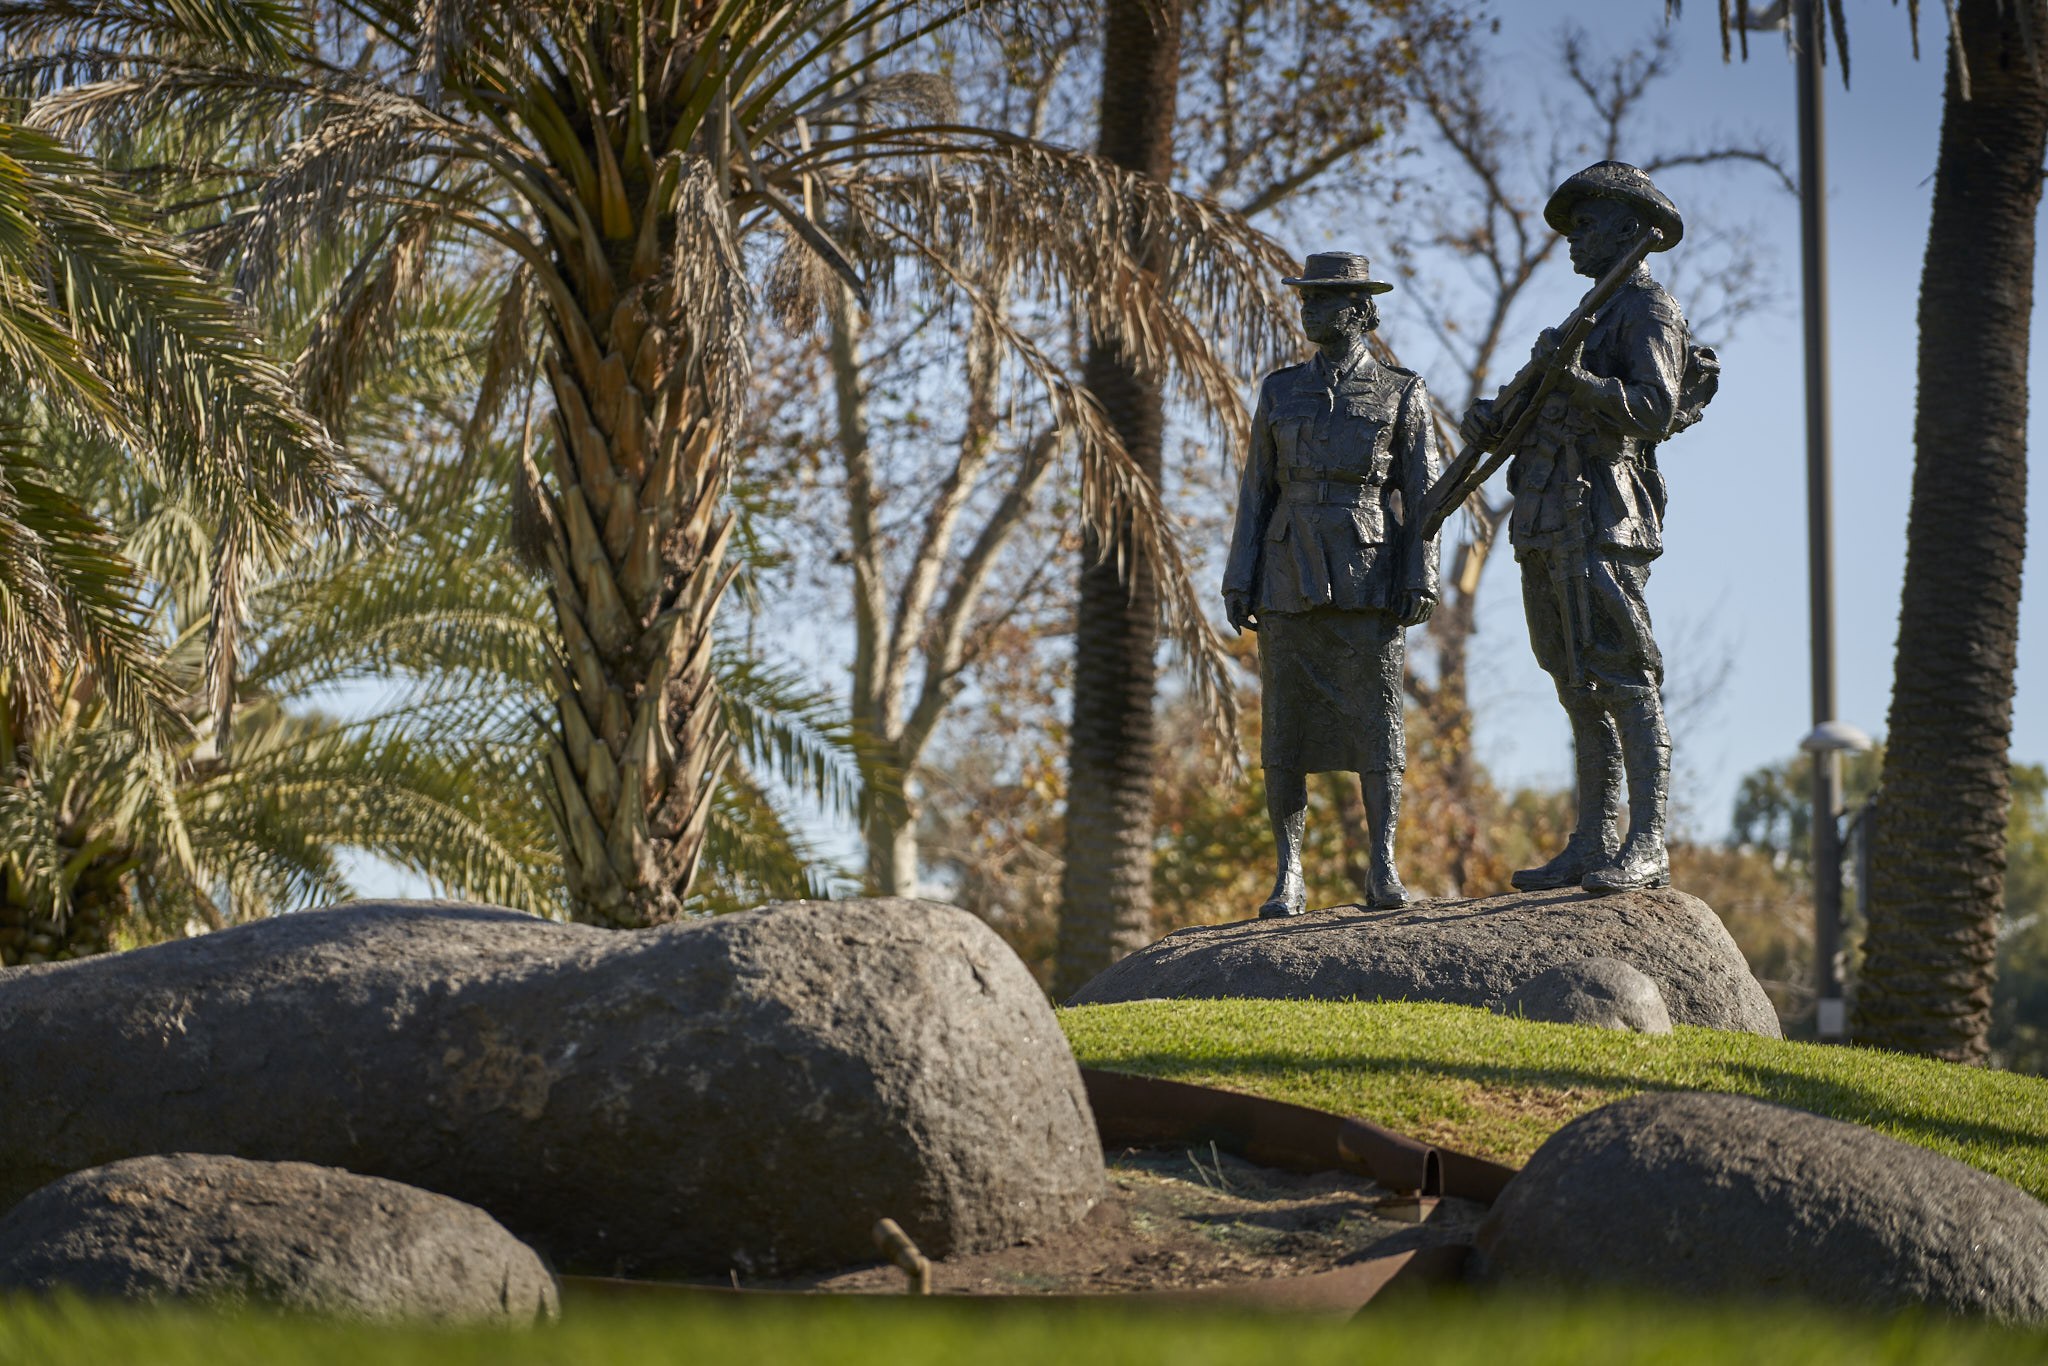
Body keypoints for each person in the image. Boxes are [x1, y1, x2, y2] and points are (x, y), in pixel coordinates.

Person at [1461, 161, 1712, 892]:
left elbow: (1652, 410)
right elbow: (1544, 413)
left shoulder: (1648, 310)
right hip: (1546, 513)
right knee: (1574, 678)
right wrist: (1497, 418)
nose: (1574, 237)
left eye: (1589, 223)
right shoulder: (1589, 316)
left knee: (1626, 676)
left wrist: (1572, 377)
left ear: (1631, 230)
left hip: (1606, 511)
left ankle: (1647, 841)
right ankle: (1593, 841)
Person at [1222, 252, 1440, 915]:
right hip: (1287, 573)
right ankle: (1289, 873)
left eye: (1322, 300)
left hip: (1367, 574)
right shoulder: (1279, 391)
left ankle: (1383, 868)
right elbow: (1257, 489)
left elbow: (1426, 497)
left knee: (1377, 727)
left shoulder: (1403, 392)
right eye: (1305, 299)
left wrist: (1420, 576)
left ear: (1359, 311)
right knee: (1284, 730)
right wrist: (1240, 576)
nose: (1308, 310)